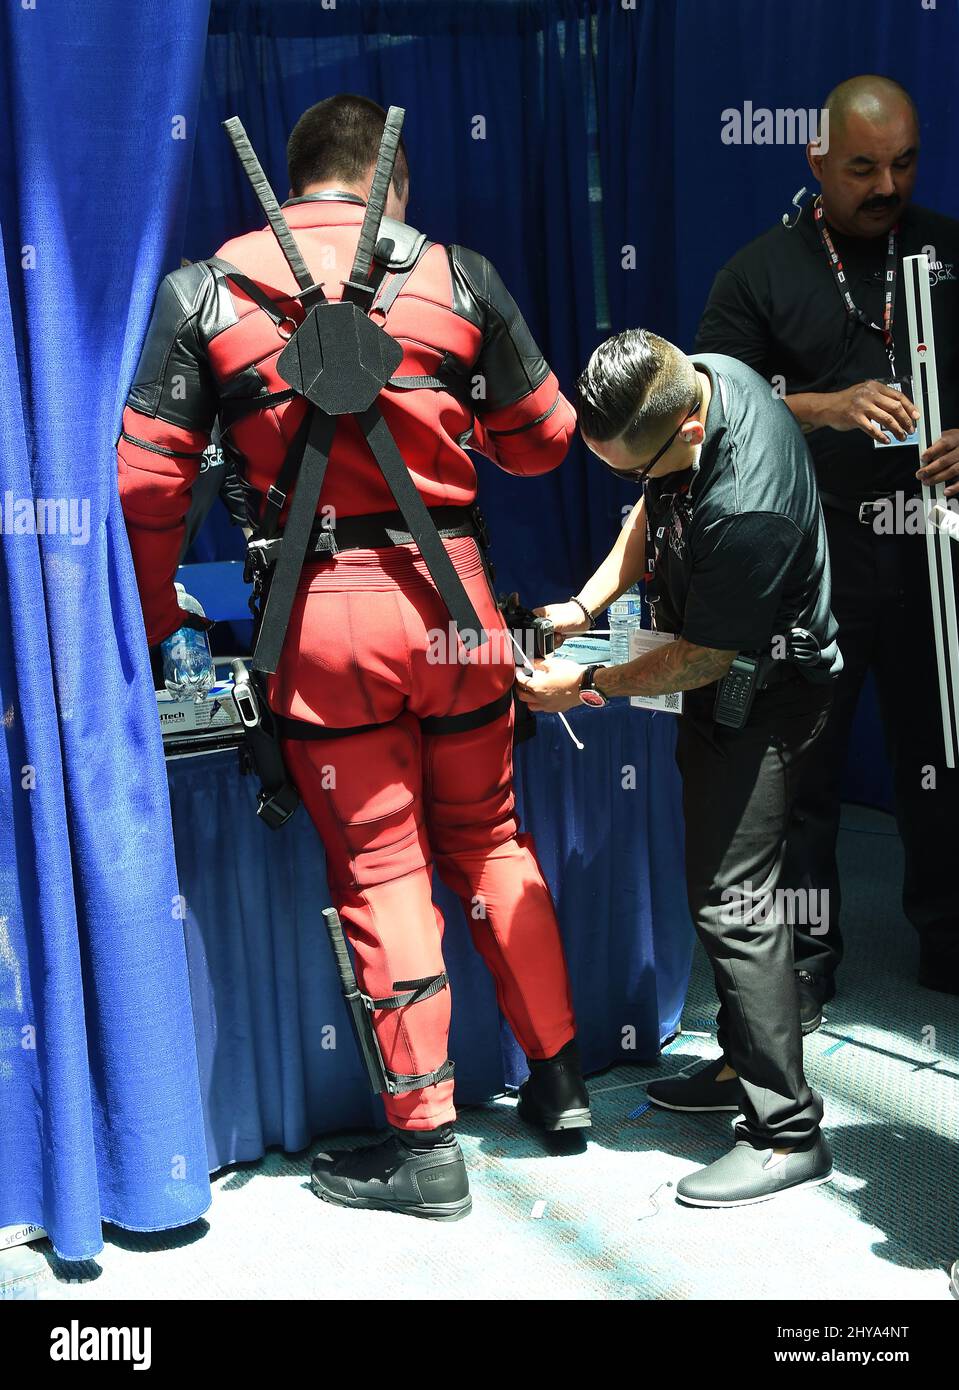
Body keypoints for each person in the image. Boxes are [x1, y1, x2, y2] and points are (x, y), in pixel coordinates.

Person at [117, 93, 591, 1223]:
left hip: (322, 626)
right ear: (393, 182)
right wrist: (447, 408)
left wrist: (150, 625)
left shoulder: (207, 288)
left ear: (290, 180)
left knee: (382, 868)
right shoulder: (456, 273)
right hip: (457, 612)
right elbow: (547, 442)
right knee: (491, 838)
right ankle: (561, 1081)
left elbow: (144, 483)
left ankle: (425, 1150)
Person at [518, 330, 841, 1206]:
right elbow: (651, 512)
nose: (631, 487)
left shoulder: (746, 508)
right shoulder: (706, 377)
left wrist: (585, 678)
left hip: (763, 700)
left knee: (734, 904)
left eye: (632, 469)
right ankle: (743, 1064)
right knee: (717, 887)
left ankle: (786, 1131)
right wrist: (585, 605)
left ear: (688, 432)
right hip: (726, 684)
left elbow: (701, 657)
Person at [696, 75, 959, 1015]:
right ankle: (804, 965)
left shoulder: (945, 249)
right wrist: (823, 406)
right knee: (800, 770)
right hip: (820, 559)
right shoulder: (761, 270)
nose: (885, 185)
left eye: (902, 163)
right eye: (861, 168)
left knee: (945, 753)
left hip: (936, 555)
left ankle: (948, 940)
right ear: (815, 161)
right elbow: (704, 405)